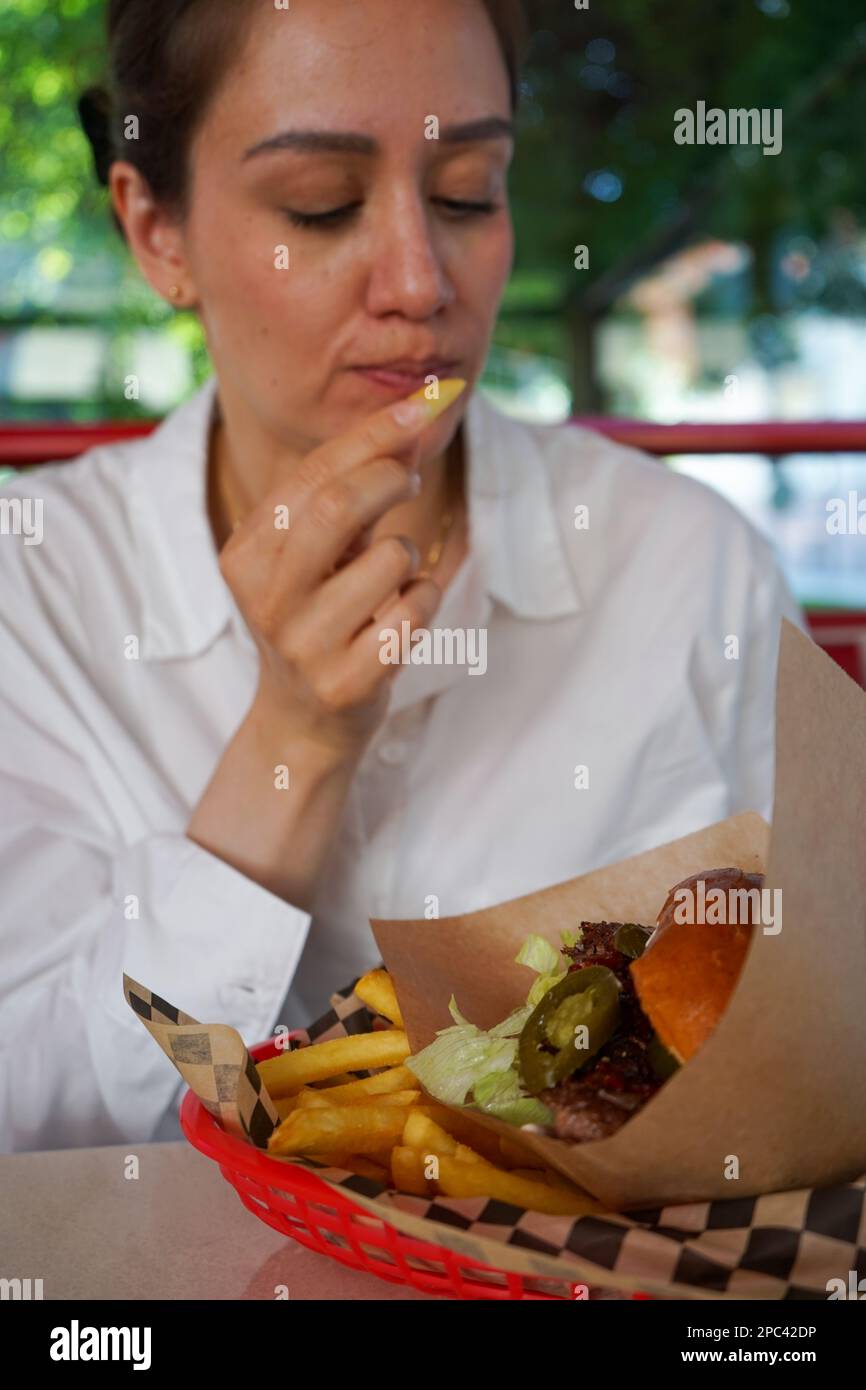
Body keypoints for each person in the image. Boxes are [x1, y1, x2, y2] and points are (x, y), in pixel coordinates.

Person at [0, 0, 805, 1152]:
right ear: (156, 231)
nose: (420, 282)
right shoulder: (31, 592)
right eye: (320, 206)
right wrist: (294, 742)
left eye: (468, 187)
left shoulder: (686, 564)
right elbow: (37, 1133)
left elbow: (810, 1038)